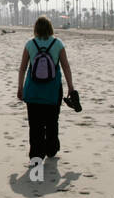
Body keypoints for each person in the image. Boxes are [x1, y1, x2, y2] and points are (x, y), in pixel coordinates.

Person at [17, 15, 74, 166]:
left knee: (35, 124)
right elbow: (66, 66)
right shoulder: (58, 43)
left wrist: (20, 87)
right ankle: (51, 149)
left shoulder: (30, 44)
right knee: (52, 121)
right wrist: (71, 87)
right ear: (50, 28)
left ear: (35, 29)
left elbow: (23, 68)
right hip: (53, 91)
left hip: (33, 91)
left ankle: (36, 154)